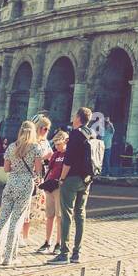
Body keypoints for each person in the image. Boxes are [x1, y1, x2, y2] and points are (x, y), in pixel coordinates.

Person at [0, 118, 50, 266]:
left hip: (11, 182)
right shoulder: (35, 148)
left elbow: (6, 169)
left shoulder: (12, 147)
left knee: (2, 220)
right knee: (16, 221)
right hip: (26, 183)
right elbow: (38, 171)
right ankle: (9, 257)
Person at [49, 107, 96, 265]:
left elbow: (68, 160)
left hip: (72, 178)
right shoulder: (91, 133)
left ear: (78, 118)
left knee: (66, 215)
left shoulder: (76, 133)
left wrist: (62, 179)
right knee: (80, 214)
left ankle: (64, 253)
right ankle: (77, 253)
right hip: (86, 179)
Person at [36, 130, 68, 253]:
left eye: (59, 144)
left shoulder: (68, 155)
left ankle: (58, 243)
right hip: (50, 186)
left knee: (59, 216)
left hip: (60, 187)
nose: (57, 146)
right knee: (50, 216)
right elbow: (50, 169)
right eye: (55, 144)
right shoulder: (55, 155)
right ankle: (47, 241)